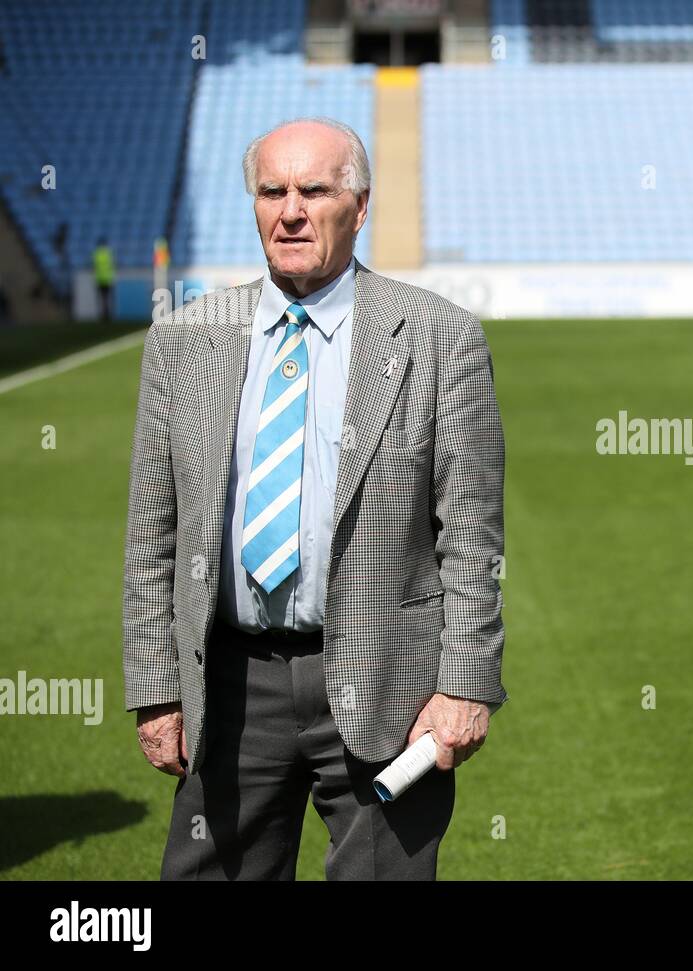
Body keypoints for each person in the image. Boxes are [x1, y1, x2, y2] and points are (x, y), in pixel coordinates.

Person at [123, 117, 506, 880]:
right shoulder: (185, 340)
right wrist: (156, 687)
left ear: (358, 207)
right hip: (230, 685)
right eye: (272, 191)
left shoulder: (438, 337)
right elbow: (150, 533)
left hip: (389, 683)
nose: (290, 210)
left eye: (314, 190)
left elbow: (471, 536)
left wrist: (465, 682)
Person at [93, 236, 114, 320]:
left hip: (99, 279)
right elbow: (112, 265)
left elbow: (94, 266)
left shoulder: (96, 253)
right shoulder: (109, 252)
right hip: (108, 279)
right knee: (108, 298)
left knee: (102, 299)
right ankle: (108, 315)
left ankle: (102, 315)